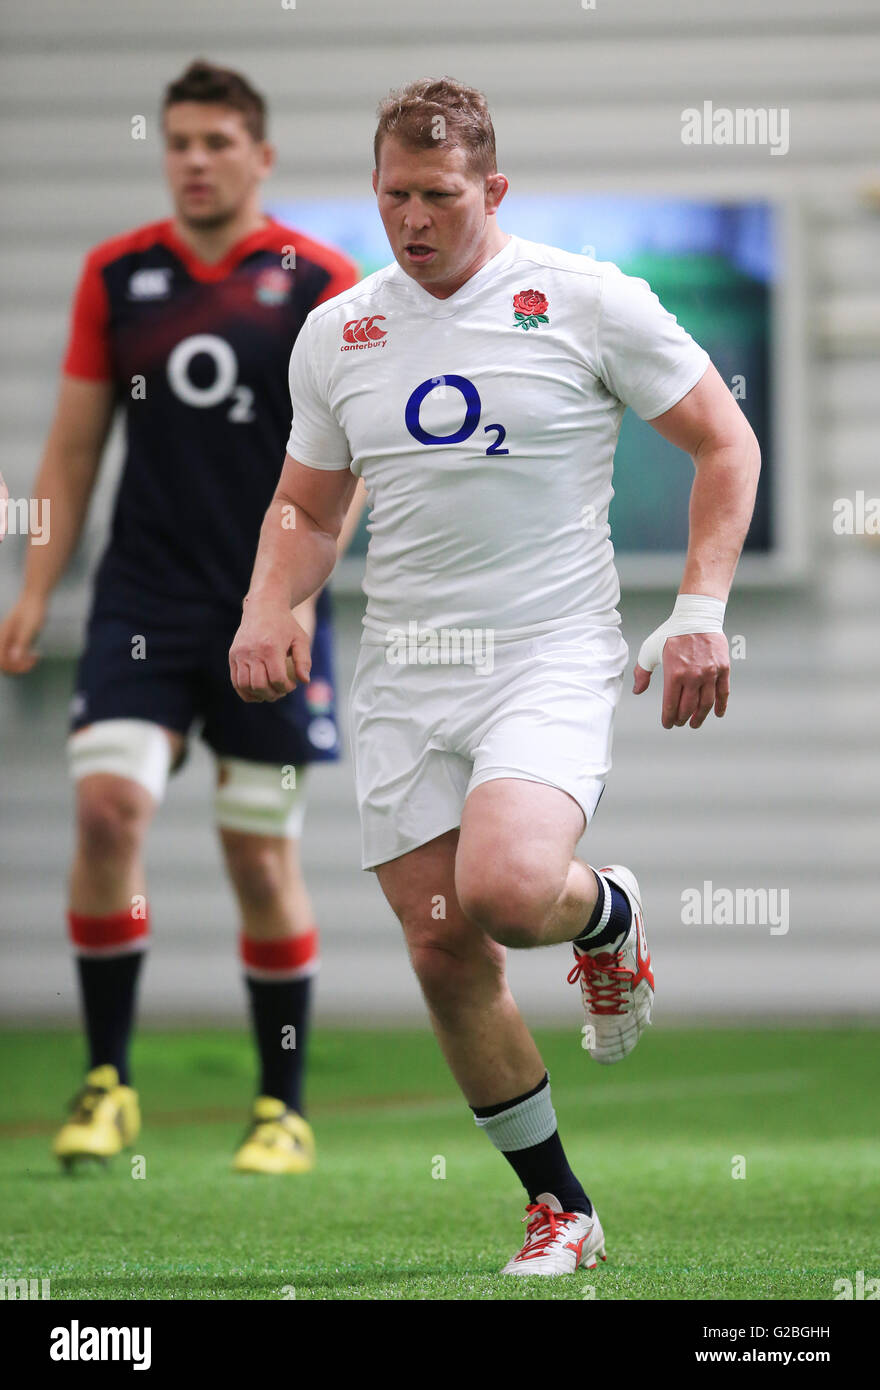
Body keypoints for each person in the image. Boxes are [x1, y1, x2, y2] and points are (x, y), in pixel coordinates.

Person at [228, 77, 760, 1274]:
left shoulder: (585, 300)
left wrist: (699, 610)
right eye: (393, 196)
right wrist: (272, 598)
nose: (413, 221)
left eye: (439, 196)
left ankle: (602, 915)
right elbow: (308, 508)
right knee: (440, 945)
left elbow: (724, 440)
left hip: (548, 651)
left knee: (510, 893)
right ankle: (560, 1206)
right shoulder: (341, 330)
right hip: (407, 672)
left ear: (492, 191)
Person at [0, 60, 364, 1175]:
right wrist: (32, 586)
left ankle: (279, 1106)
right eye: (179, 142)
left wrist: (293, 600)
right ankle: (107, 1081)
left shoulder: (321, 277)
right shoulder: (117, 273)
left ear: (261, 154)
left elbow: (347, 468)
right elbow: (68, 449)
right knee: (108, 812)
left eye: (218, 142)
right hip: (142, 602)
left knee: (261, 858)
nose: (195, 161)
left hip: (267, 606)